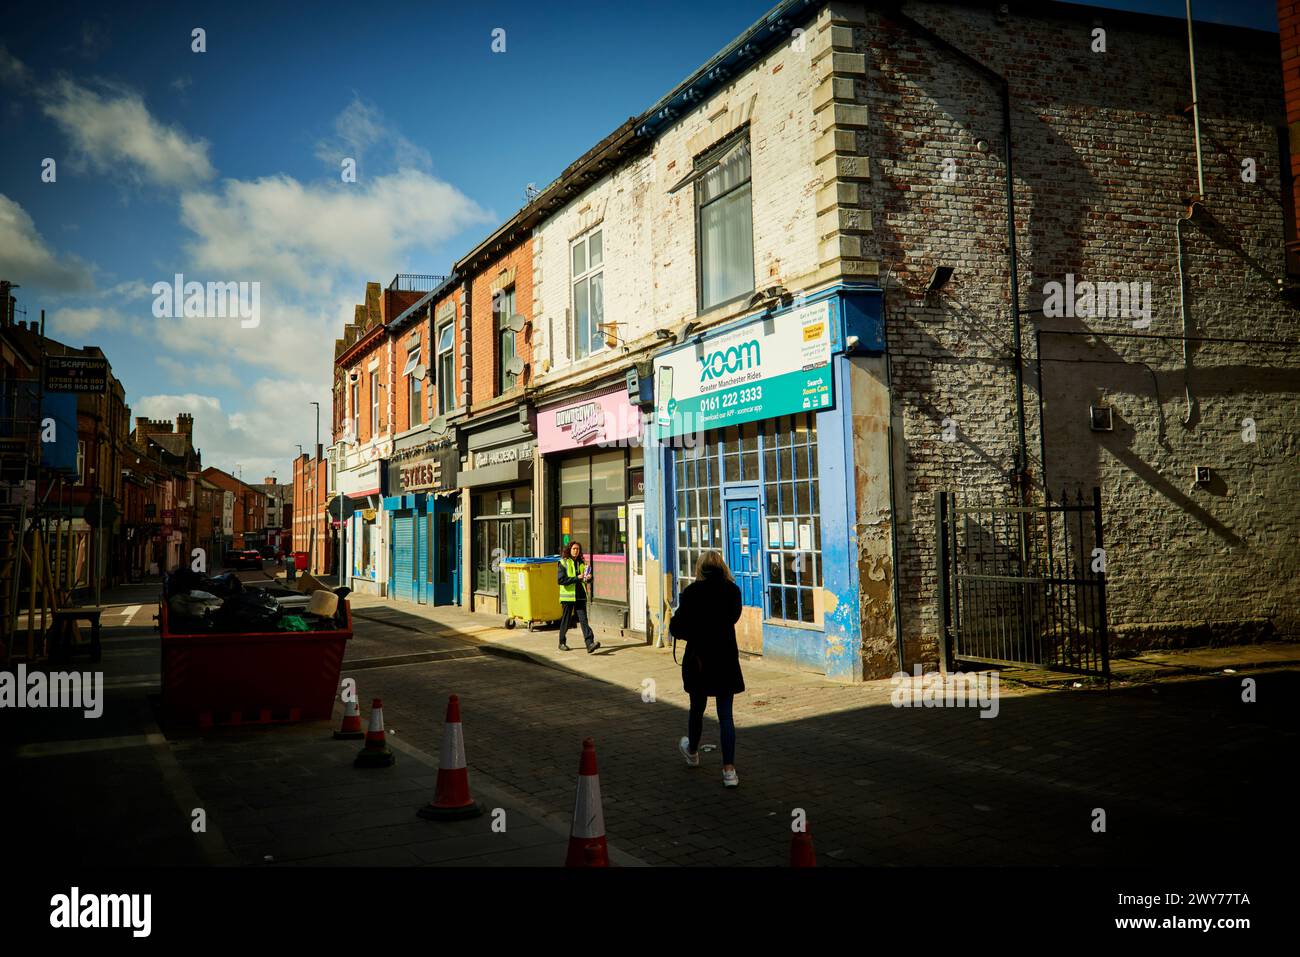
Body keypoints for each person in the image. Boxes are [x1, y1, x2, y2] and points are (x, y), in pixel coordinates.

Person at [669, 550, 744, 788]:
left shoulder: (692, 593)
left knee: (697, 709)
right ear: (722, 567)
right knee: (726, 717)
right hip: (725, 659)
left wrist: (693, 628)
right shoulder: (733, 591)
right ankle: (729, 770)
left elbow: (678, 628)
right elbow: (733, 618)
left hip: (700, 659)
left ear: (700, 568)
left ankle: (692, 751)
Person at [557, 541, 600, 653]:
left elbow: (586, 579)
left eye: (578, 549)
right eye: (574, 548)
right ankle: (561, 642)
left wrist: (589, 577)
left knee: (583, 620)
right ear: (569, 550)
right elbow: (561, 580)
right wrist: (577, 578)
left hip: (580, 595)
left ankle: (589, 643)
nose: (576, 551)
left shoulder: (582, 563)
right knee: (566, 621)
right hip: (568, 597)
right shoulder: (563, 563)